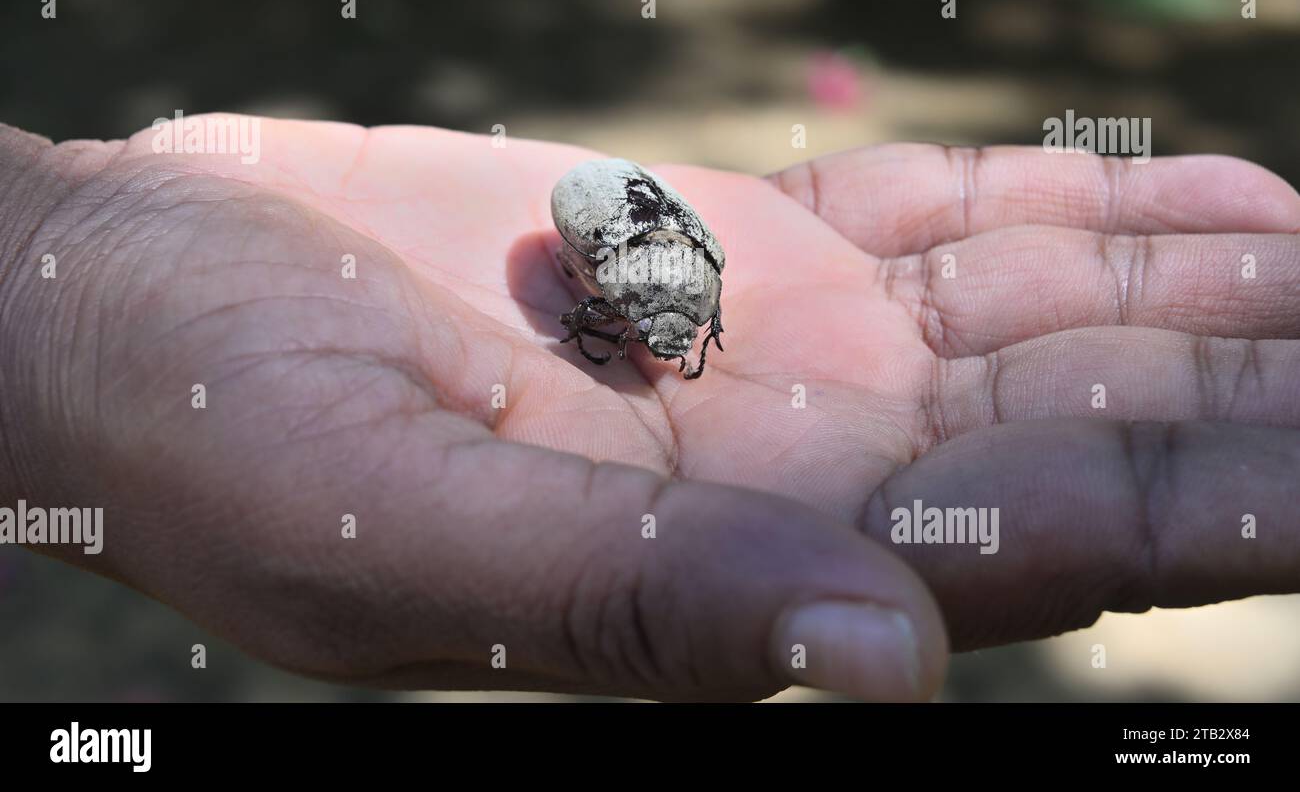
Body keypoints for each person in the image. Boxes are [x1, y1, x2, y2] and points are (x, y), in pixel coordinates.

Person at [1, 115, 1296, 702]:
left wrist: (50, 244)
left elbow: (644, 275)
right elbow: (607, 266)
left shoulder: (666, 290)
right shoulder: (623, 282)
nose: (676, 355)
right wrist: (55, 272)